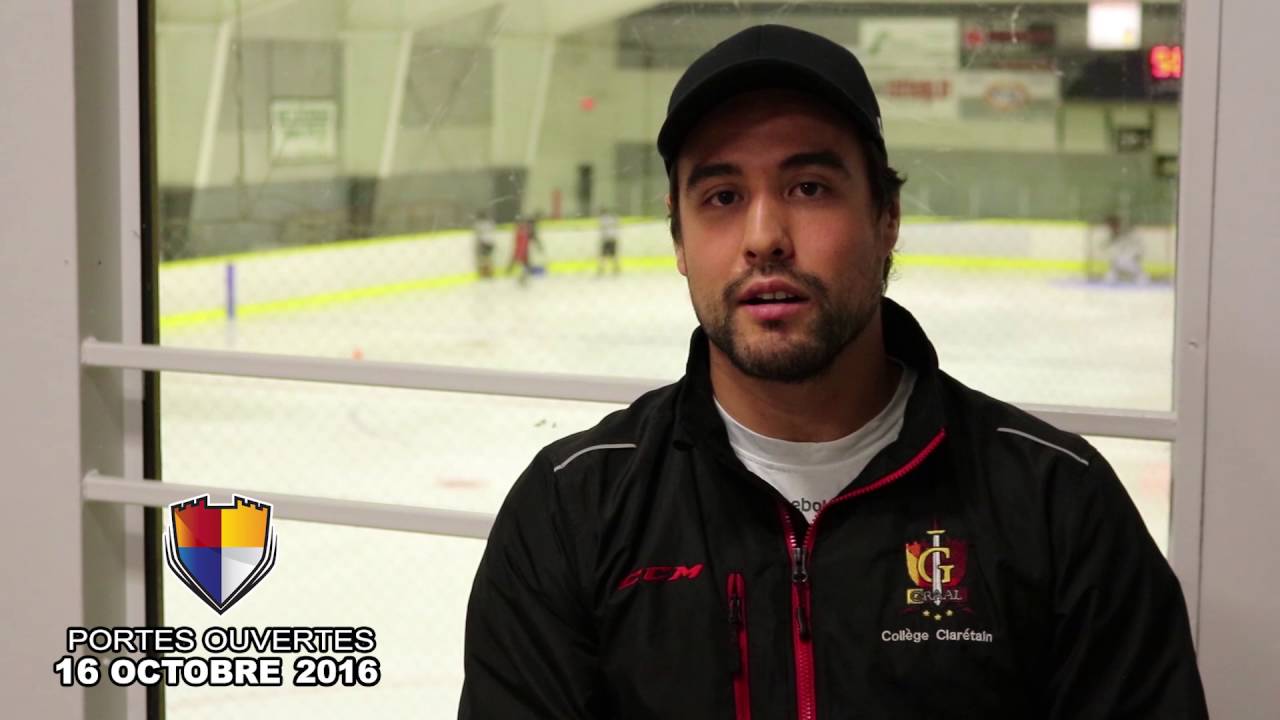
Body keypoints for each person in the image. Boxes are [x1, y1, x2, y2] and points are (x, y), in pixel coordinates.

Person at [460, 24, 1206, 719]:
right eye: (722, 197)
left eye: (809, 187)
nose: (764, 238)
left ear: (887, 218)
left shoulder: (1057, 506)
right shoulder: (571, 512)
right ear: (679, 240)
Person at [1104, 213, 1150, 284]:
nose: (1109, 227)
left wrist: (1137, 255)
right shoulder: (1114, 235)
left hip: (1130, 260)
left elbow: (1138, 247)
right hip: (1120, 262)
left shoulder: (1129, 232)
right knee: (1111, 276)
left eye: (1111, 225)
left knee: (1140, 277)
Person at [597, 207, 622, 275]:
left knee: (603, 255)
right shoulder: (613, 218)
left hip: (606, 239)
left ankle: (601, 268)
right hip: (613, 238)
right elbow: (617, 224)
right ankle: (616, 268)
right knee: (613, 255)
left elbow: (602, 228)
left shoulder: (603, 219)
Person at [472, 210, 495, 279]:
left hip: (484, 242)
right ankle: (488, 272)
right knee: (488, 258)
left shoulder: (479, 224)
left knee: (484, 259)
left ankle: (486, 273)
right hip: (491, 242)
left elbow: (477, 232)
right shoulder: (490, 222)